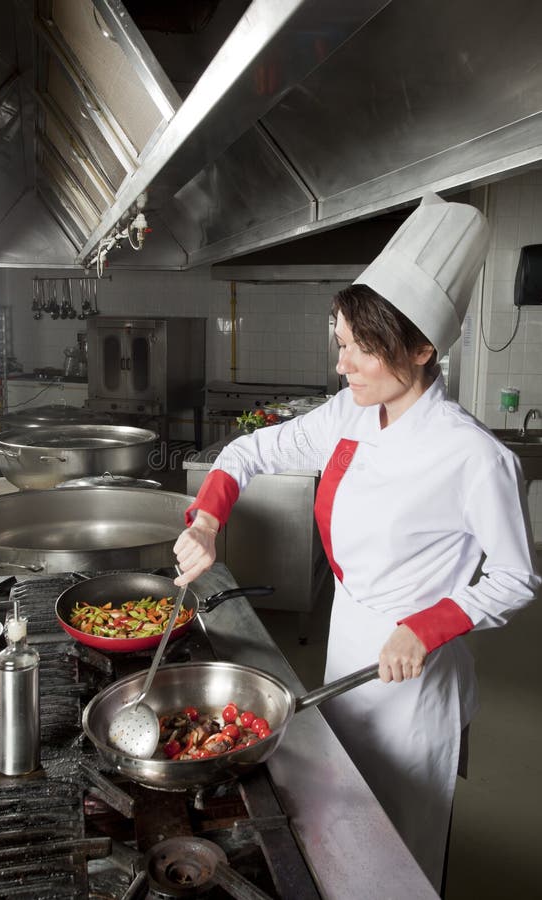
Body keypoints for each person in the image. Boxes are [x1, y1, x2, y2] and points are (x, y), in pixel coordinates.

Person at [173, 192, 541, 893]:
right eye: (339, 342)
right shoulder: (349, 412)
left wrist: (426, 627)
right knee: (339, 824)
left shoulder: (474, 456)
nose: (342, 364)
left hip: (411, 676)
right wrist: (207, 521)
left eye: (360, 348)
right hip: (345, 646)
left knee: (399, 851)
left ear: (422, 350)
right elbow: (246, 451)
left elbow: (515, 578)